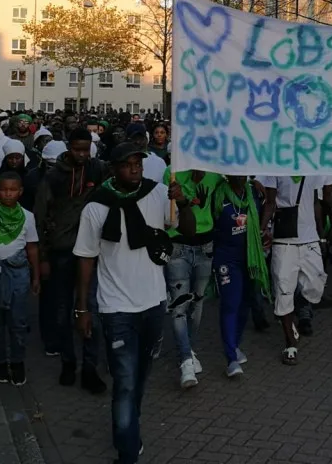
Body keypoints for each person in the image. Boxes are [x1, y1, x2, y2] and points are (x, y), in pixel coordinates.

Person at [72, 142, 194, 464]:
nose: (135, 167)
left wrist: (183, 203)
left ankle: (127, 428)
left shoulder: (158, 193)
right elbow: (85, 259)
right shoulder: (97, 206)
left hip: (153, 305)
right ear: (113, 168)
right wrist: (82, 308)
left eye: (138, 162)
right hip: (116, 308)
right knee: (124, 383)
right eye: (127, 163)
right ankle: (127, 454)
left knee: (140, 378)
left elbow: (187, 229)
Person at [33, 127, 108, 393]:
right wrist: (42, 257)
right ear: (68, 148)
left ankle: (90, 368)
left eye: (85, 149)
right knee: (62, 310)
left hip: (90, 250)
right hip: (61, 251)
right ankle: (68, 362)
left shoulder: (98, 170)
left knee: (91, 309)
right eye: (77, 149)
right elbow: (40, 217)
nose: (81, 154)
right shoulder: (53, 177)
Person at [258, 174, 332, 365]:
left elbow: (317, 202)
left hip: (310, 240)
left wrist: (322, 235)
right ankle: (290, 343)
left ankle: (287, 310)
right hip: (284, 241)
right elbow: (270, 202)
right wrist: (262, 230)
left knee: (316, 285)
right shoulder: (275, 166)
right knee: (283, 291)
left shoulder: (313, 165)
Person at [161, 168, 222, 388]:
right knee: (179, 306)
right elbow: (166, 211)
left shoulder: (216, 175)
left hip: (205, 247)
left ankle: (189, 348)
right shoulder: (173, 172)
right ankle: (186, 360)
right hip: (178, 246)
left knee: (197, 304)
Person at [0, 172, 41, 386]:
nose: (8, 194)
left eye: (13, 190)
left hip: (18, 274)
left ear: (20, 192)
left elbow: (32, 248)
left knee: (18, 321)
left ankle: (17, 362)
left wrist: (35, 277)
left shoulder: (28, 217)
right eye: (4, 189)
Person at [210, 175, 268, 378]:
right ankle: (231, 359)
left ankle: (234, 344)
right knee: (230, 303)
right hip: (227, 259)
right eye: (236, 172)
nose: (240, 176)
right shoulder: (217, 194)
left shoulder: (253, 192)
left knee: (245, 303)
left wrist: (263, 232)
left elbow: (269, 207)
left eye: (244, 172)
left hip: (250, 257)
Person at [0, 140, 28, 207]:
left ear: (22, 158)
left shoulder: (29, 176)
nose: (14, 161)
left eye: (17, 158)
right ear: (5, 158)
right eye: (10, 158)